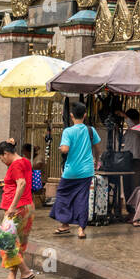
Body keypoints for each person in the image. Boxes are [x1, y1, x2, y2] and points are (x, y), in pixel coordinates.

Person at [51, 102, 100, 239]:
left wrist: (61, 148)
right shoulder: (91, 130)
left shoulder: (68, 131)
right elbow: (97, 149)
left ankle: (64, 224)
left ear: (71, 115)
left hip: (71, 171)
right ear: (85, 115)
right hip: (87, 170)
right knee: (82, 198)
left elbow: (65, 149)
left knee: (62, 195)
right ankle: (81, 230)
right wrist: (96, 162)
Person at [0, 140, 36, 279]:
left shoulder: (16, 165)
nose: (3, 161)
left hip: (17, 209)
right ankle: (11, 277)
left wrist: (12, 206)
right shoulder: (25, 161)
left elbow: (22, 183)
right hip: (28, 207)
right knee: (18, 244)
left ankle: (25, 272)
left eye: (1, 158)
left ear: (6, 153)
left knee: (4, 240)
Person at [22, 142, 47, 214]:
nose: (24, 154)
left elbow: (38, 166)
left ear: (29, 152)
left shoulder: (39, 158)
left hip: (39, 179)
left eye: (25, 152)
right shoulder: (27, 158)